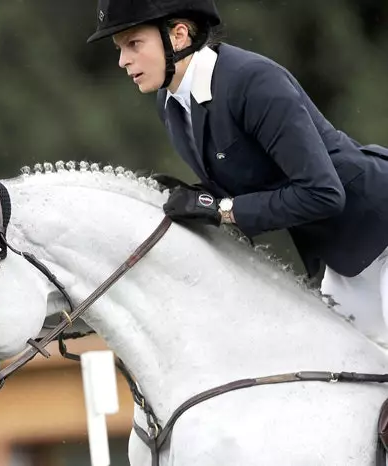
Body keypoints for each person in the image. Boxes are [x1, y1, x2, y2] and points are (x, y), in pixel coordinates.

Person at [86, 0, 388, 345]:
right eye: (120, 48)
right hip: (345, 254)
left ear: (179, 35)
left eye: (133, 44)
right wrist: (197, 195)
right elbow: (252, 179)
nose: (123, 60)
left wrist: (222, 211)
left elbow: (322, 193)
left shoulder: (253, 82)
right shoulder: (170, 103)